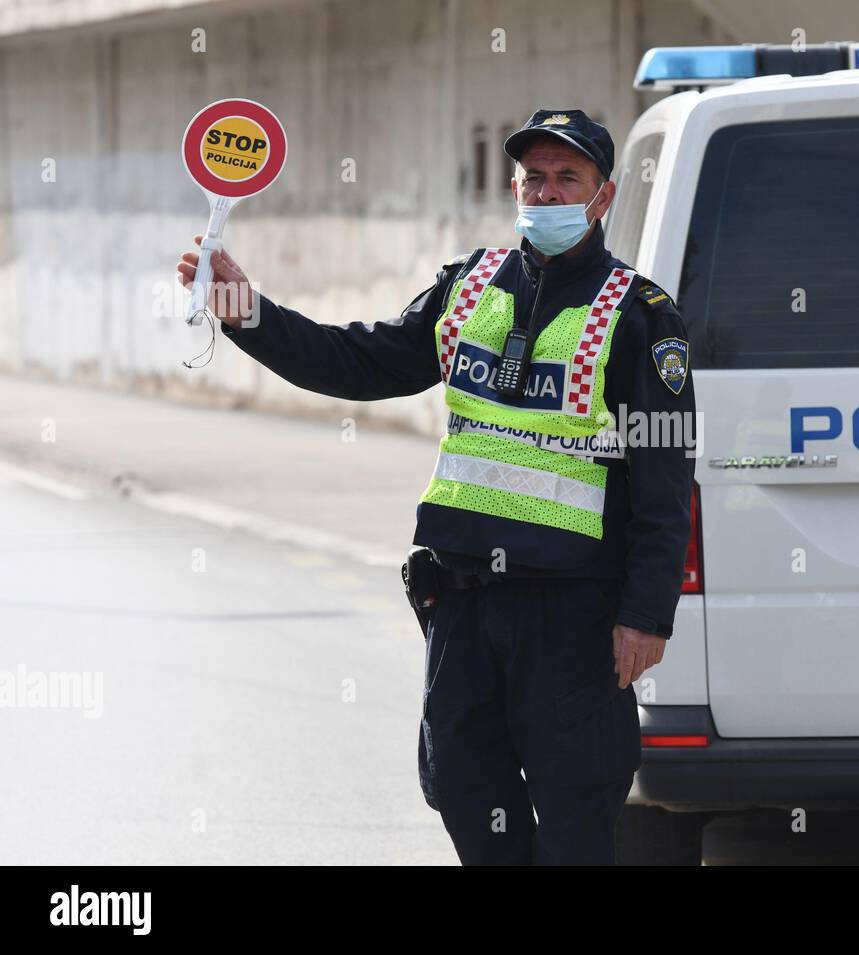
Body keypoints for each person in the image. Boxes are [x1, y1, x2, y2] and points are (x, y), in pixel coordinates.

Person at [175, 108, 696, 865]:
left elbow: (663, 480)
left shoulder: (642, 318)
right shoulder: (469, 286)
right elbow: (355, 360)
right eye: (534, 178)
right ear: (515, 185)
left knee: (578, 821)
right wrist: (248, 314)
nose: (546, 195)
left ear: (603, 196)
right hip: (463, 605)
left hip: (574, 619)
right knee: (462, 793)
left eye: (567, 179)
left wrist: (646, 615)